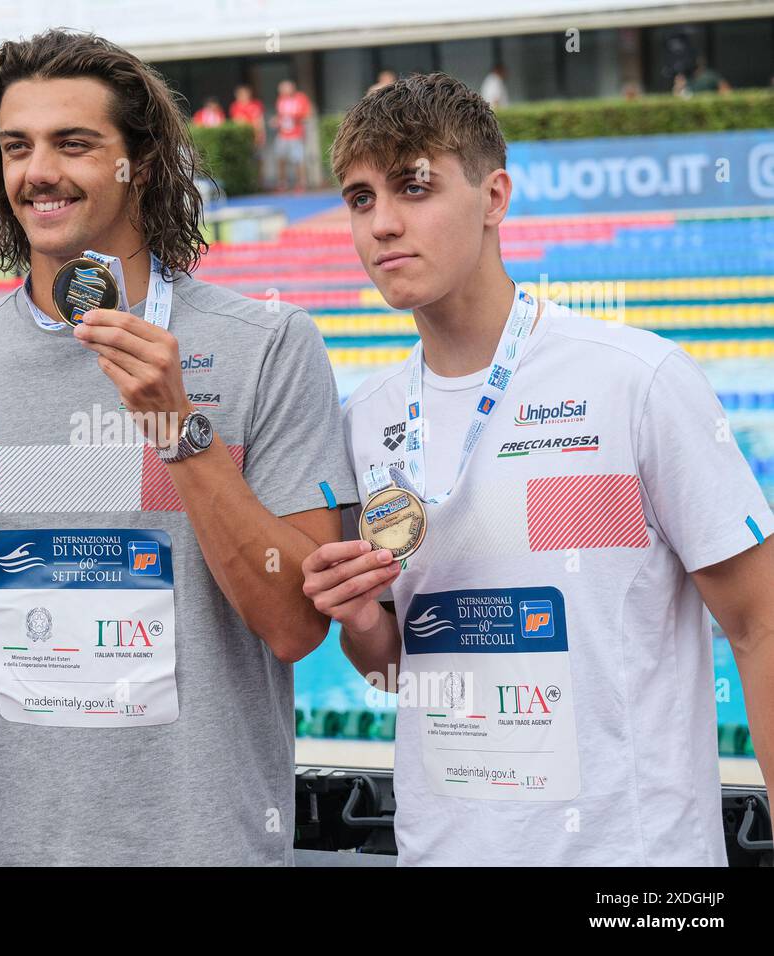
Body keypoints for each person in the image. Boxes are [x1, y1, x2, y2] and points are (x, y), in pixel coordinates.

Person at [0, 28, 353, 866]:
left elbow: (295, 624)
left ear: (138, 164)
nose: (38, 170)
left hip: (204, 845)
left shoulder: (268, 345)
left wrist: (181, 431)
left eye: (74, 144)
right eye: (17, 146)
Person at [304, 72, 774, 865]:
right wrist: (357, 622)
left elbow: (759, 626)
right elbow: (391, 669)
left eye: (414, 187)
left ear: (494, 197)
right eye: (359, 198)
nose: (383, 224)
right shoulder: (370, 420)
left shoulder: (636, 382)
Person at [271, 79, 312, 192]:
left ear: (292, 88)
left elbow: (308, 114)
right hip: (283, 134)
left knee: (298, 159)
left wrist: (296, 118)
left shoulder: (301, 98)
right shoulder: (280, 100)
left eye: (285, 89)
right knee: (280, 158)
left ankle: (301, 183)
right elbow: (280, 116)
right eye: (281, 90)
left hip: (296, 134)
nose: (282, 91)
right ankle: (282, 183)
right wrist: (276, 121)